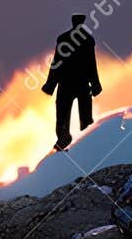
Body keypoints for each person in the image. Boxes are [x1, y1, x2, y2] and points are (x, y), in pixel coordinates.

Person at [42, 13, 101, 150]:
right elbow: (91, 65)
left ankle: (67, 139)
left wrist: (50, 85)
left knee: (66, 113)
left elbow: (56, 64)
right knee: (79, 114)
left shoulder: (67, 39)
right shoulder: (87, 40)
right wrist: (95, 84)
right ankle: (75, 139)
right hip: (78, 84)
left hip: (69, 84)